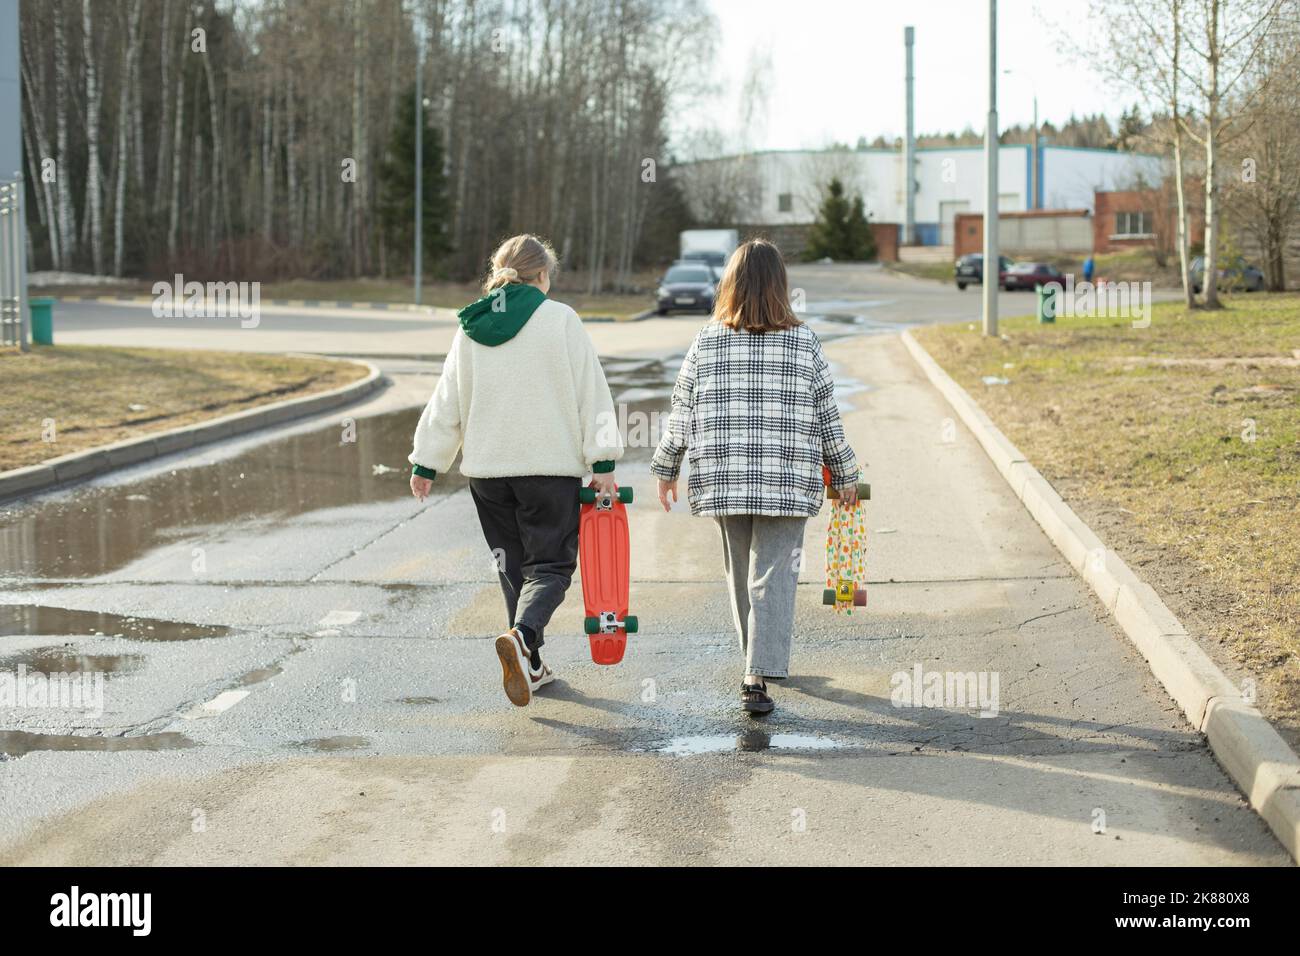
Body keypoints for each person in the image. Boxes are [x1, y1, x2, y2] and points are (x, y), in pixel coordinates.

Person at [408, 234, 623, 707]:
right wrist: (602, 459)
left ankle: (532, 663)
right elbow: (592, 391)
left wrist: (427, 460)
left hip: (487, 473)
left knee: (514, 569)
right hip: (547, 469)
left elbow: (448, 398)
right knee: (550, 566)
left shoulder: (471, 324)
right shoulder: (560, 319)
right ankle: (524, 636)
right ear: (543, 275)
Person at [650, 239, 859, 715]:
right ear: (780, 286)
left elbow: (682, 411)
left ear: (730, 285)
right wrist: (844, 472)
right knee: (773, 576)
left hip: (725, 476)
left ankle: (755, 666)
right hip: (786, 479)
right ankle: (757, 670)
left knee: (741, 574)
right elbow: (828, 415)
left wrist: (666, 467)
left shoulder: (707, 339)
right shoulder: (803, 341)